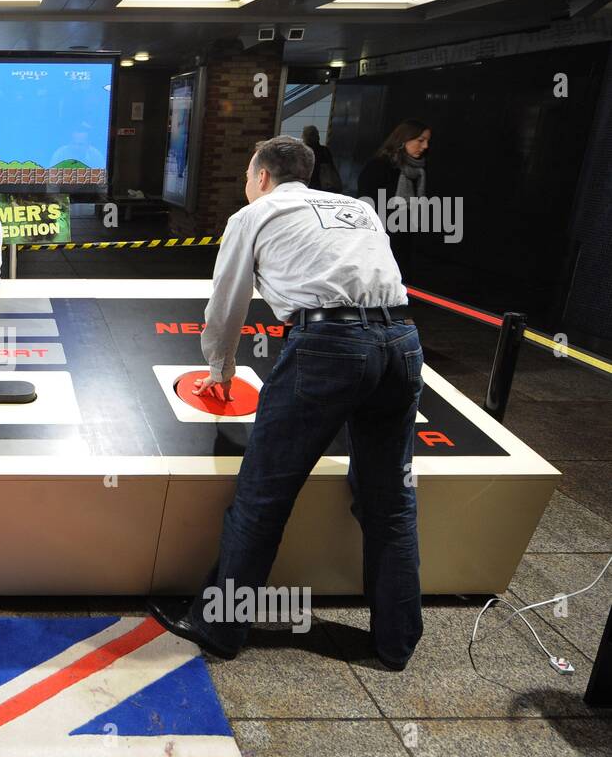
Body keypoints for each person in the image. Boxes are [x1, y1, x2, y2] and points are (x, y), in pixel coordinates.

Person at [147, 136, 423, 671]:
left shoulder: (256, 214)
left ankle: (221, 627)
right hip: (401, 342)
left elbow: (228, 301)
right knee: (390, 500)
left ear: (262, 176)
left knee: (263, 494)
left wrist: (220, 369)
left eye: (248, 175)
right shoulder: (356, 210)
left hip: (328, 347)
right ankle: (397, 642)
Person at [357, 120, 431, 270]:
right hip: (379, 245)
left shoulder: (418, 172)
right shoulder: (380, 166)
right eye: (420, 140)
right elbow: (365, 205)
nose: (425, 146)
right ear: (404, 139)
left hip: (404, 244)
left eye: (427, 141)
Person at [302, 125, 340, 192]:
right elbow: (331, 168)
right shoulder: (324, 150)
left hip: (307, 184)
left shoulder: (303, 151)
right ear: (317, 136)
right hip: (324, 185)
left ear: (305, 137)